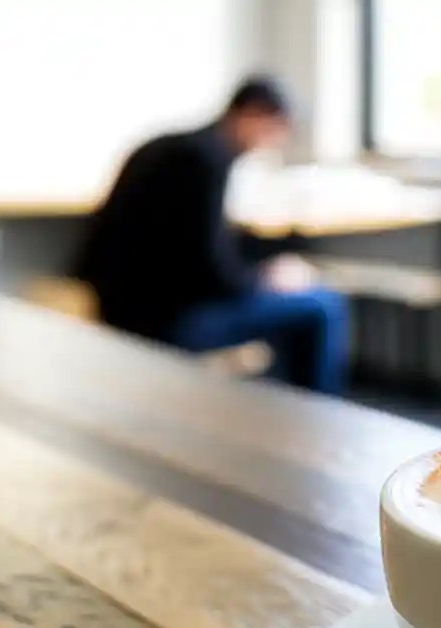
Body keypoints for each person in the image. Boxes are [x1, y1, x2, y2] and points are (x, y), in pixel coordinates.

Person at [76, 76, 349, 394]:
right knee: (321, 304)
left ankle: (283, 407)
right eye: (276, 131)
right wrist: (265, 279)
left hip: (120, 308)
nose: (272, 143)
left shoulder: (169, 146)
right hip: (164, 323)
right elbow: (212, 274)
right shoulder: (206, 161)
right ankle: (319, 414)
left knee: (289, 303)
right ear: (254, 115)